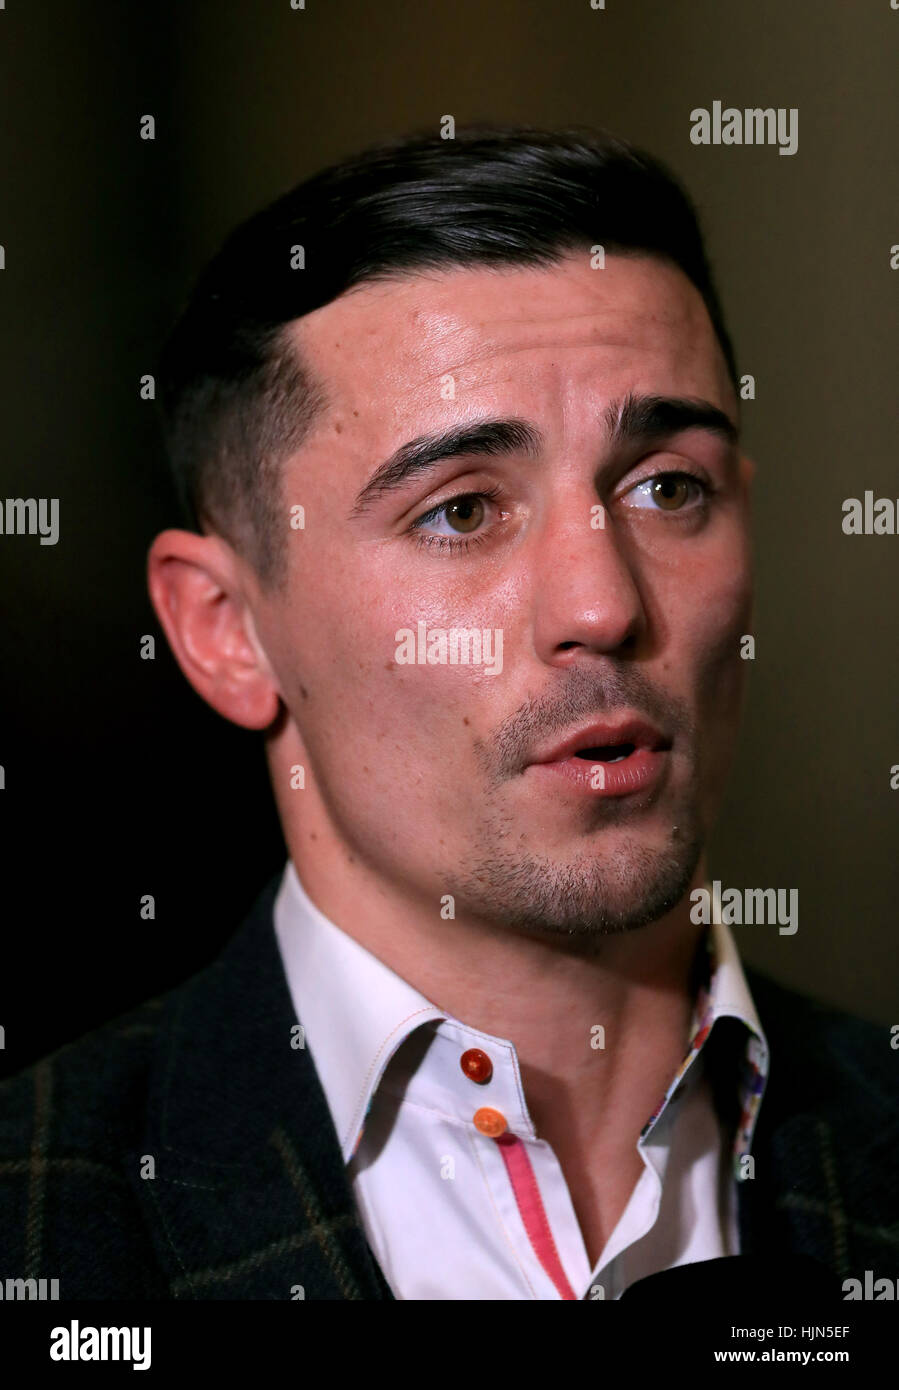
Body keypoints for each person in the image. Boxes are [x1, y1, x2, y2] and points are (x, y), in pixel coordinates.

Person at [1, 126, 895, 1301]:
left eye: (665, 487)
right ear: (226, 627)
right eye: (461, 511)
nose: (601, 604)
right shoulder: (40, 1217)